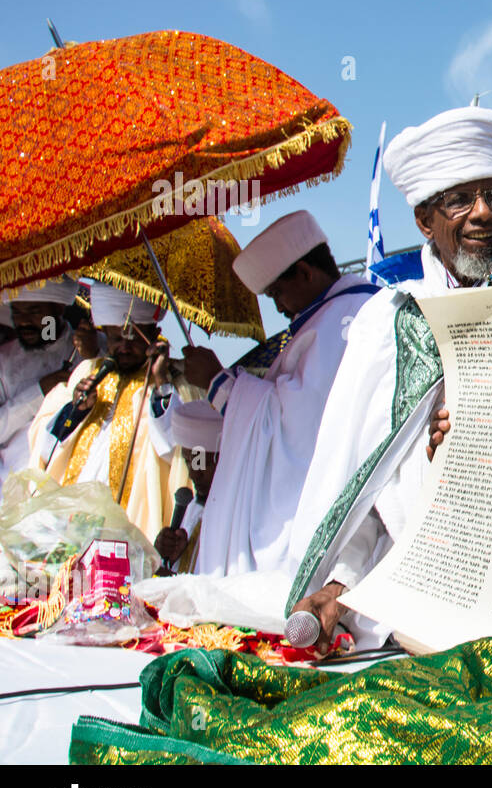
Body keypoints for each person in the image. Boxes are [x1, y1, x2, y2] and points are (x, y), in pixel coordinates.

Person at [286, 107, 492, 647]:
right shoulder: (389, 319)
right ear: (423, 219)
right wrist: (344, 584)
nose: (483, 213)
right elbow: (364, 487)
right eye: (459, 199)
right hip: (420, 590)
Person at [178, 210, 378, 577]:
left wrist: (217, 383)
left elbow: (299, 429)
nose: (280, 308)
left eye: (277, 294)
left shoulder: (342, 320)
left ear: (305, 272)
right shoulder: (336, 314)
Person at [28, 285, 197, 537]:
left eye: (133, 338)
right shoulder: (87, 372)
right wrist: (75, 413)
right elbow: (44, 447)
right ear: (105, 334)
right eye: (117, 338)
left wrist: (161, 382)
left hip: (129, 525)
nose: (124, 348)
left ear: (155, 334)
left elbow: (177, 451)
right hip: (71, 523)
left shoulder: (175, 381)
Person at [0, 276, 78, 484]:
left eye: (34, 312)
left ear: (59, 308)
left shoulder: (90, 352)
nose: (24, 321)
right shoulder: (4, 361)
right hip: (13, 486)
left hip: (72, 482)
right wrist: (39, 392)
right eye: (17, 312)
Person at [153, 400, 223, 575]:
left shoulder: (236, 514)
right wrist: (170, 559)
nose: (194, 474)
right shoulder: (192, 508)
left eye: (202, 463)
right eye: (188, 462)